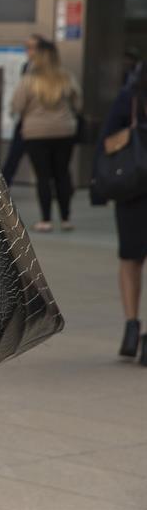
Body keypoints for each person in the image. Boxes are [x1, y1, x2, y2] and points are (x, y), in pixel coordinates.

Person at [101, 61, 147, 363]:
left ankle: (131, 326)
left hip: (132, 190)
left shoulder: (130, 97)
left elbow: (107, 141)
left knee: (130, 260)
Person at [11, 39, 81, 232]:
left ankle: (46, 220)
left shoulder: (29, 80)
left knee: (43, 176)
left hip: (36, 133)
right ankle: (66, 219)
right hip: (64, 131)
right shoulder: (66, 77)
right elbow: (77, 103)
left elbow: (17, 105)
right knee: (62, 173)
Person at [1, 34, 45, 185]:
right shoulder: (27, 66)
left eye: (32, 47)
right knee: (14, 155)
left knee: (42, 161)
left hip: (40, 121)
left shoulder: (47, 69)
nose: (29, 51)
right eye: (27, 47)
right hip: (26, 118)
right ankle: (4, 184)